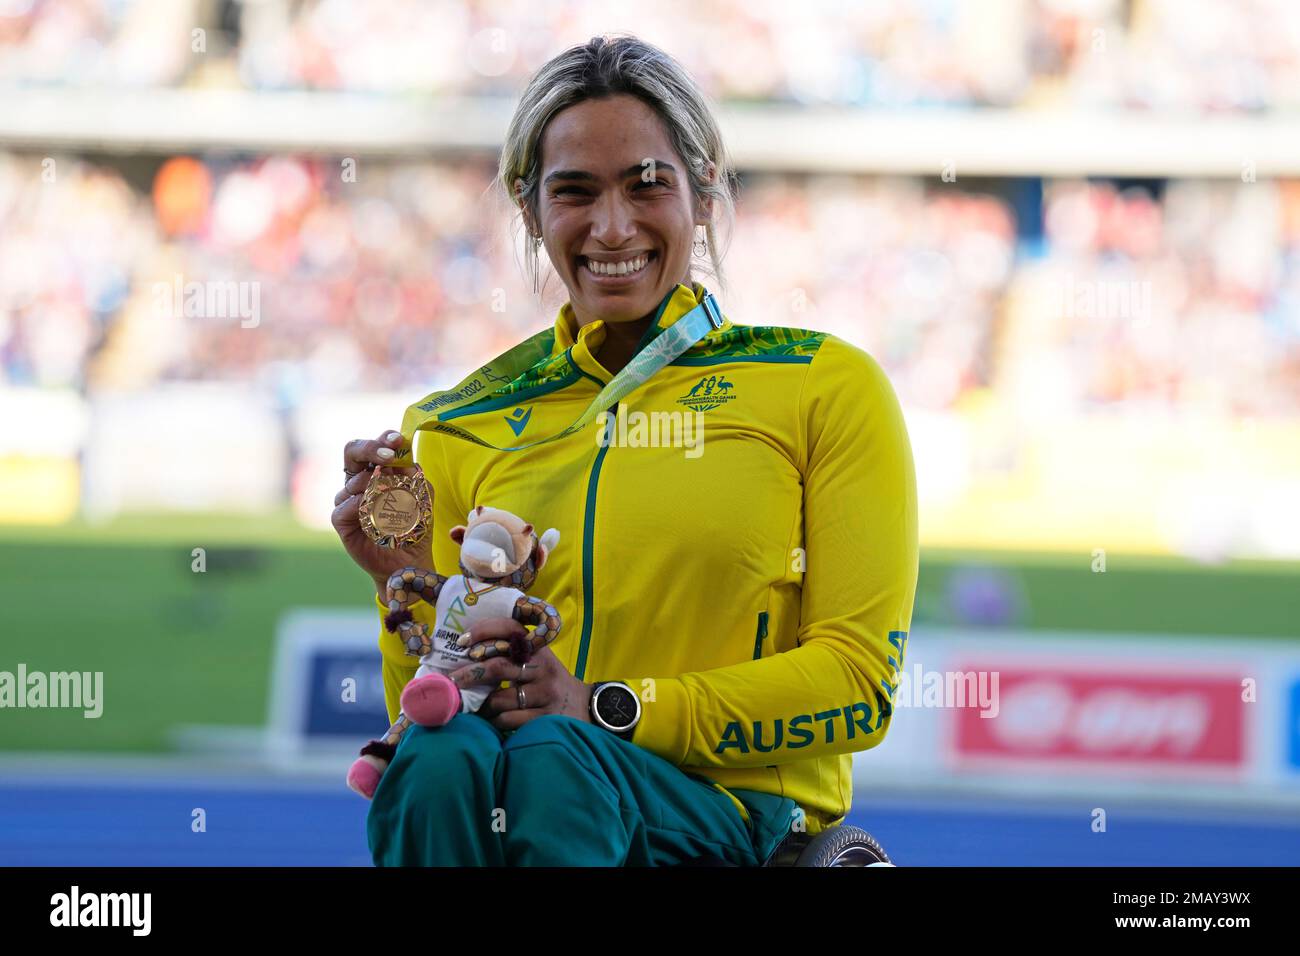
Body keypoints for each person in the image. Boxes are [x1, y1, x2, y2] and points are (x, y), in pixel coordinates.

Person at [330, 34, 918, 867]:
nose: (612, 227)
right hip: (523, 805)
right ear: (530, 208)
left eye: (648, 185)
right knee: (431, 762)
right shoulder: (458, 424)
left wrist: (604, 706)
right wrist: (399, 579)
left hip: (730, 822)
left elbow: (860, 688)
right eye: (575, 193)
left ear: (704, 192)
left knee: (553, 760)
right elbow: (439, 692)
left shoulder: (822, 386)